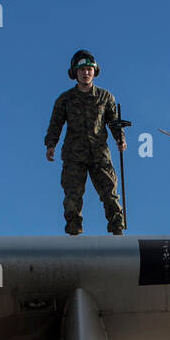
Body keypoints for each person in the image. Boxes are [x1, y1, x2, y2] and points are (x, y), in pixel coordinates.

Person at [44, 50, 127, 235]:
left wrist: (120, 139)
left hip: (99, 154)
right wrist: (51, 145)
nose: (86, 72)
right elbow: (55, 124)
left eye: (89, 69)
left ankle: (117, 230)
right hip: (74, 156)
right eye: (82, 69)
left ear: (94, 71)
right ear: (75, 73)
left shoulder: (105, 97)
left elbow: (113, 122)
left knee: (110, 194)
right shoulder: (65, 99)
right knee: (73, 196)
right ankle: (74, 232)